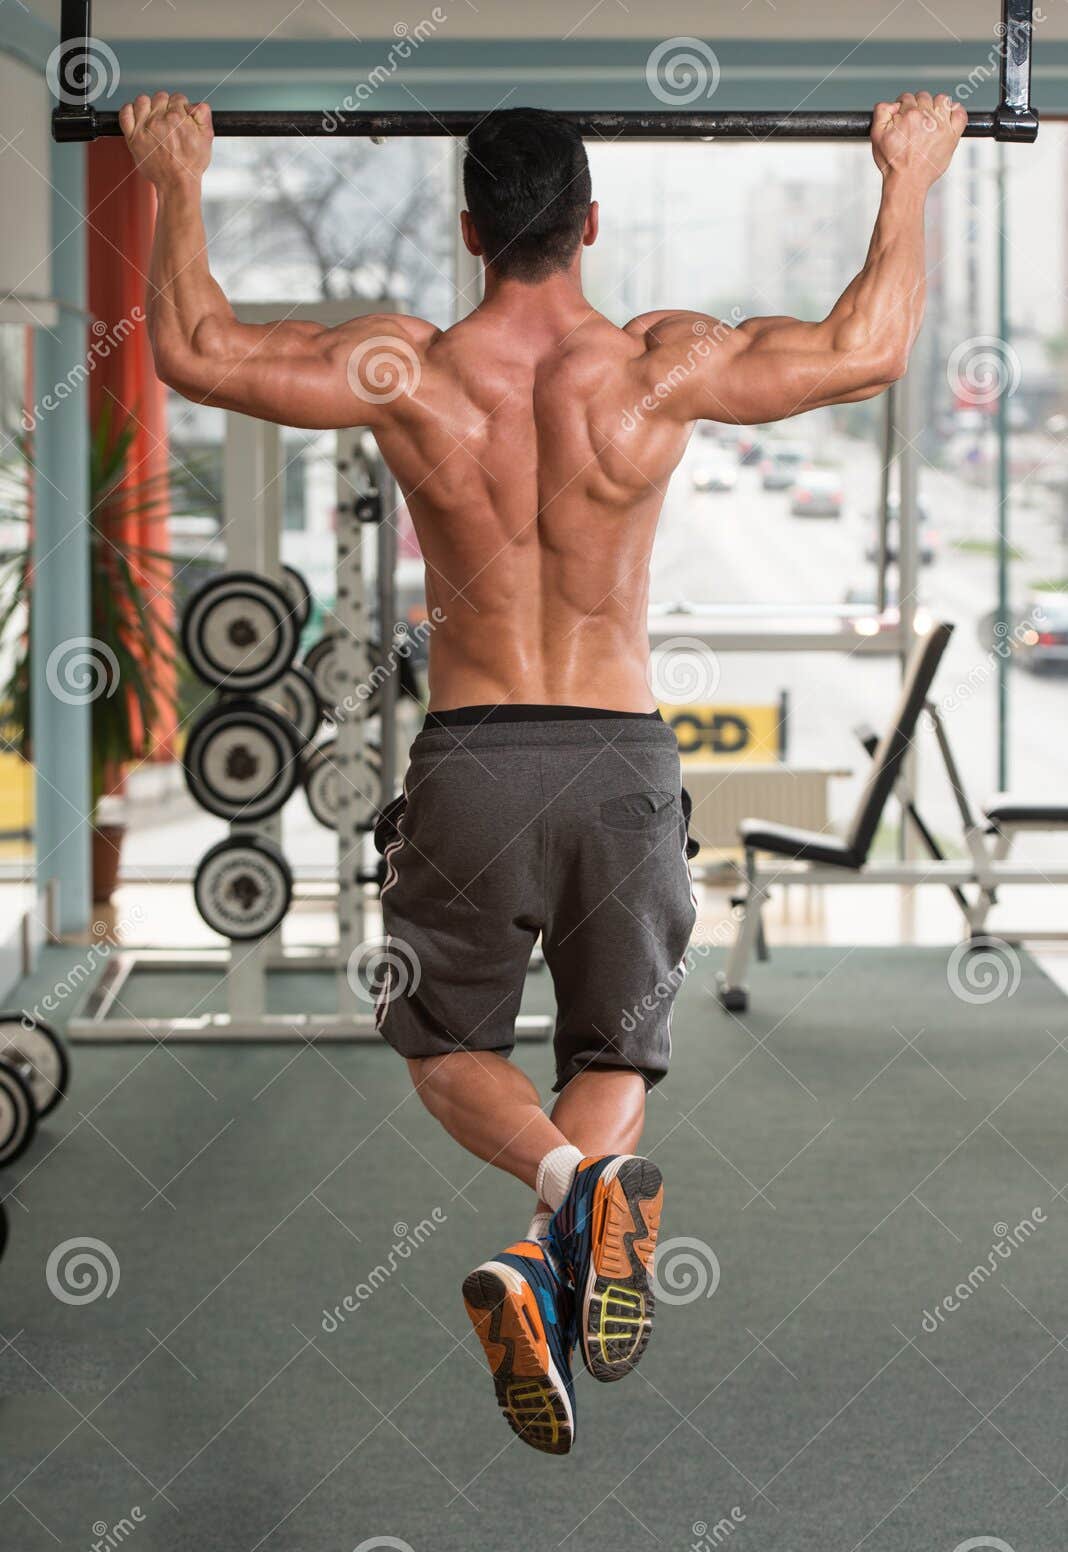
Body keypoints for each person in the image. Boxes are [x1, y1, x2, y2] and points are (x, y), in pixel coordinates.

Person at [121, 89, 966, 1457]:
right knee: (613, 1043)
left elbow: (200, 352)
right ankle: (577, 1198)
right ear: (587, 224)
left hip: (471, 759)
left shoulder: (407, 367)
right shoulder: (658, 365)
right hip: (623, 762)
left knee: (447, 1043)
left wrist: (174, 176)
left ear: (469, 230)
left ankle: (557, 1212)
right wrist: (911, 173)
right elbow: (867, 350)